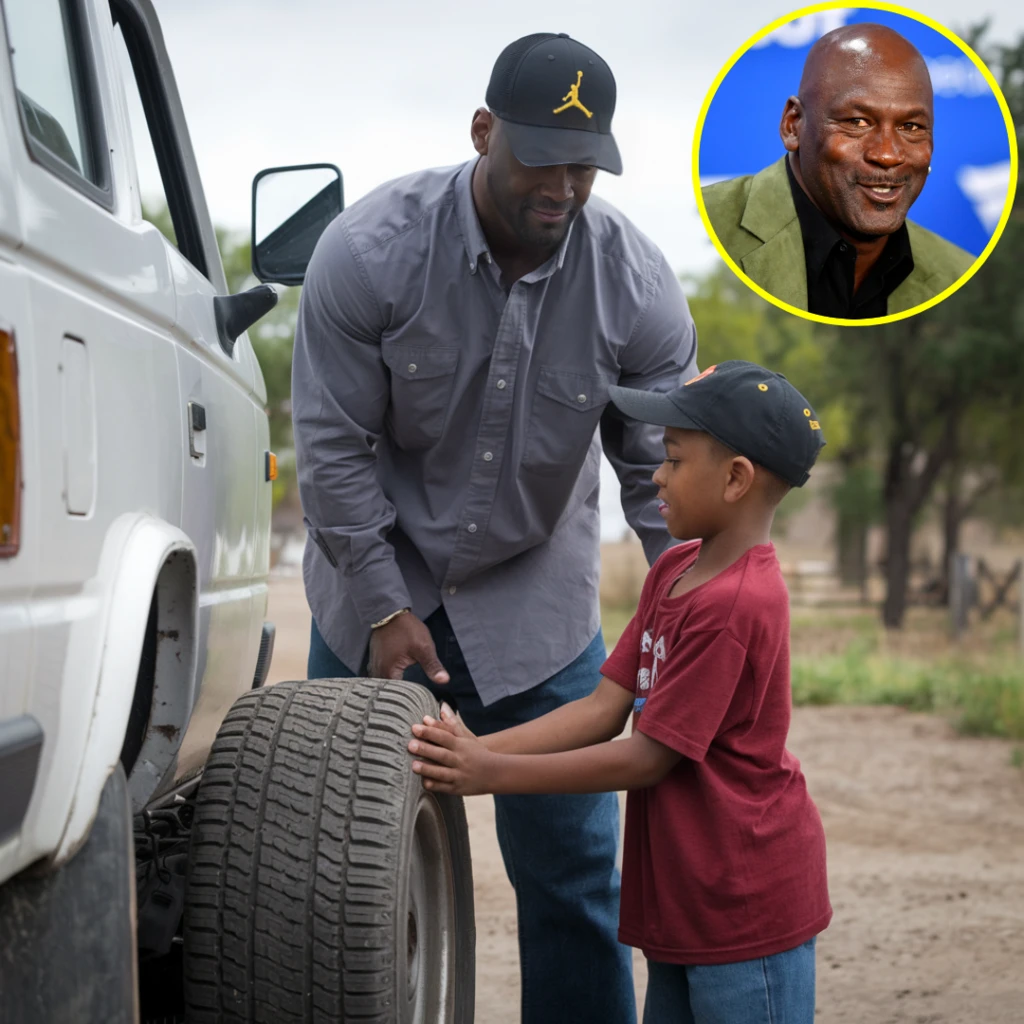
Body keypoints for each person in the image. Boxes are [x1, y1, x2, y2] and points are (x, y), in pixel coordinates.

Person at [291, 30, 699, 1024]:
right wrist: (385, 606)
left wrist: (691, 601)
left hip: (537, 617)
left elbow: (657, 474)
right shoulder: (367, 252)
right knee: (332, 883)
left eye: (583, 164)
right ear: (483, 133)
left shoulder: (635, 285)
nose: (561, 186)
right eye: (538, 158)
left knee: (573, 888)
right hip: (373, 604)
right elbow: (332, 449)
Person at [407, 360, 833, 1024]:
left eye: (672, 459)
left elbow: (648, 757)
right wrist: (473, 748)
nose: (655, 475)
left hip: (743, 901)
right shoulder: (674, 568)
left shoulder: (736, 603)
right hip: (688, 898)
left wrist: (491, 773)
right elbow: (603, 708)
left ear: (736, 478)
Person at [703, 24, 974, 319]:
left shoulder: (957, 273)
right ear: (793, 125)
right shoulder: (714, 221)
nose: (886, 154)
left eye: (910, 127)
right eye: (857, 122)